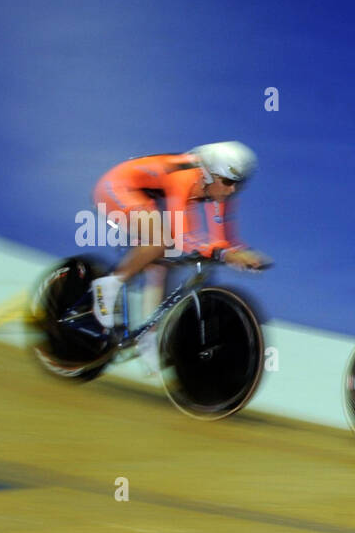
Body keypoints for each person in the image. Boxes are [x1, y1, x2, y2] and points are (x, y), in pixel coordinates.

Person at [88, 141, 270, 369]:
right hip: (116, 188)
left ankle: (147, 336)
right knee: (161, 240)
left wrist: (239, 254)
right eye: (228, 182)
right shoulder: (183, 177)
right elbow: (183, 237)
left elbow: (223, 240)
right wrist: (222, 254)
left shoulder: (218, 187)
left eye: (238, 184)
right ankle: (108, 285)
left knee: (164, 264)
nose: (232, 190)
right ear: (209, 173)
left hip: (149, 196)